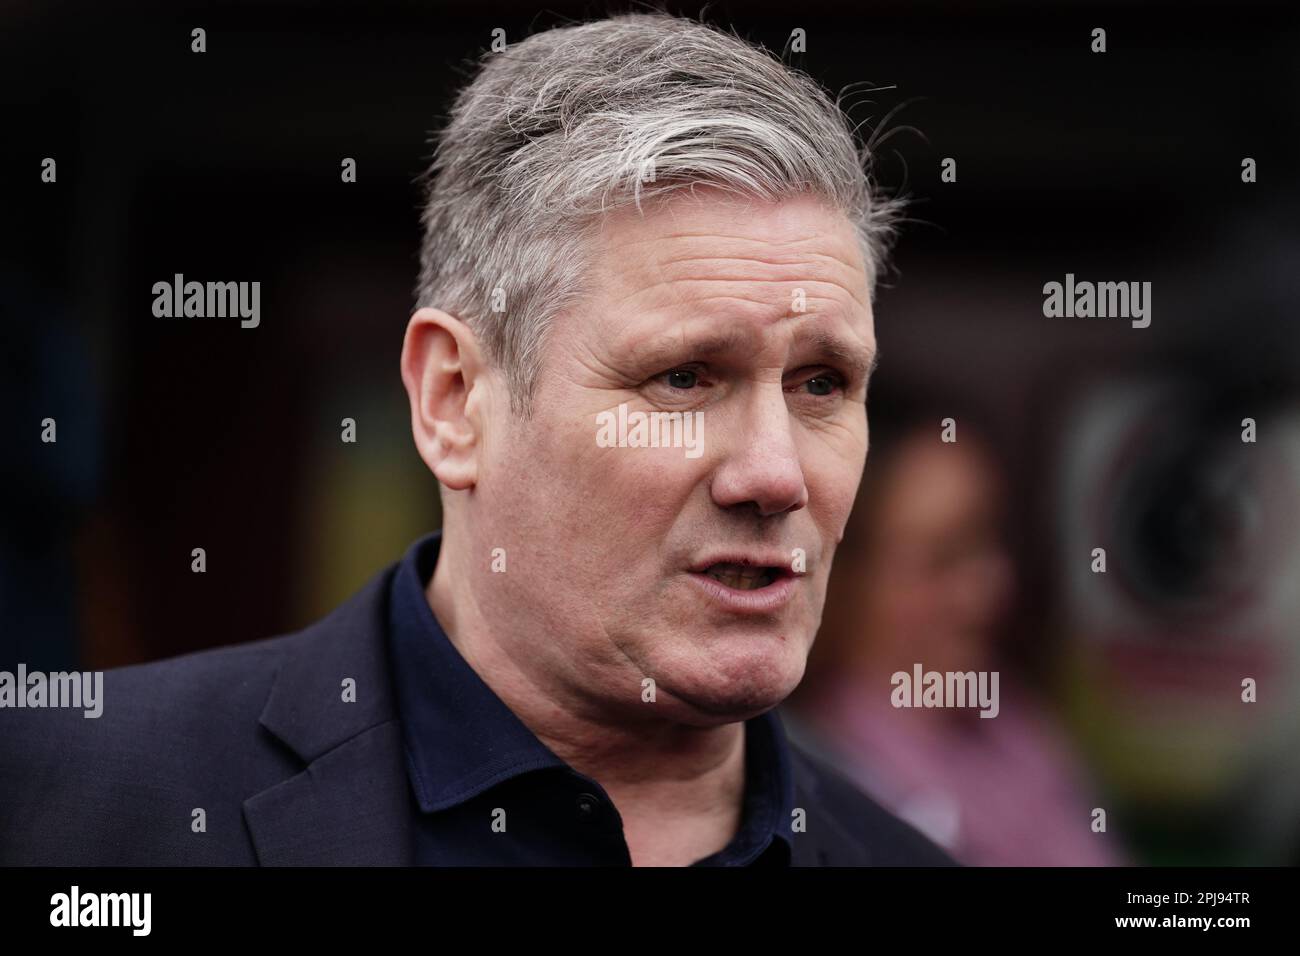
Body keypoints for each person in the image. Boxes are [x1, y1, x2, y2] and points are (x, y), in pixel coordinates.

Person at [0, 12, 953, 867]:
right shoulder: (65, 801)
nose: (776, 474)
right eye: (684, 377)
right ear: (455, 400)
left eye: (822, 384)